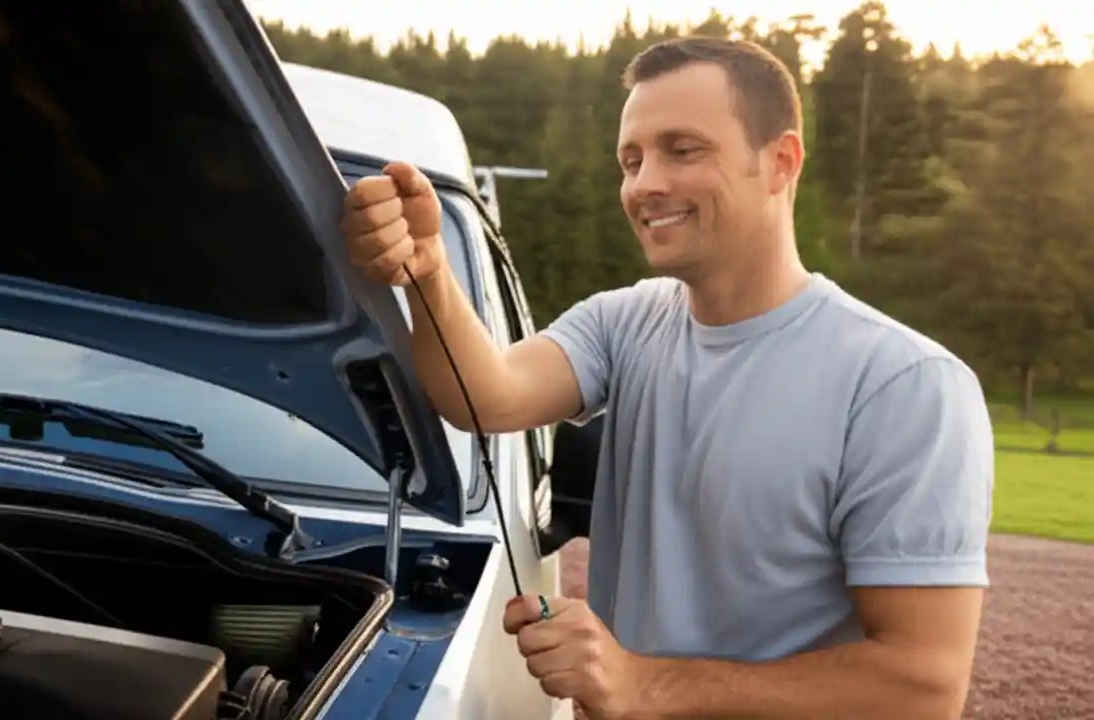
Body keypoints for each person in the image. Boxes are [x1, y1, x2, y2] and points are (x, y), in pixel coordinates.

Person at [339, 36, 993, 720]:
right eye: (631, 159)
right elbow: (486, 397)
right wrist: (427, 272)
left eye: (682, 150)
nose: (644, 183)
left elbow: (922, 686)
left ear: (780, 161)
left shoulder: (906, 385)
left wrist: (650, 684)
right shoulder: (623, 322)